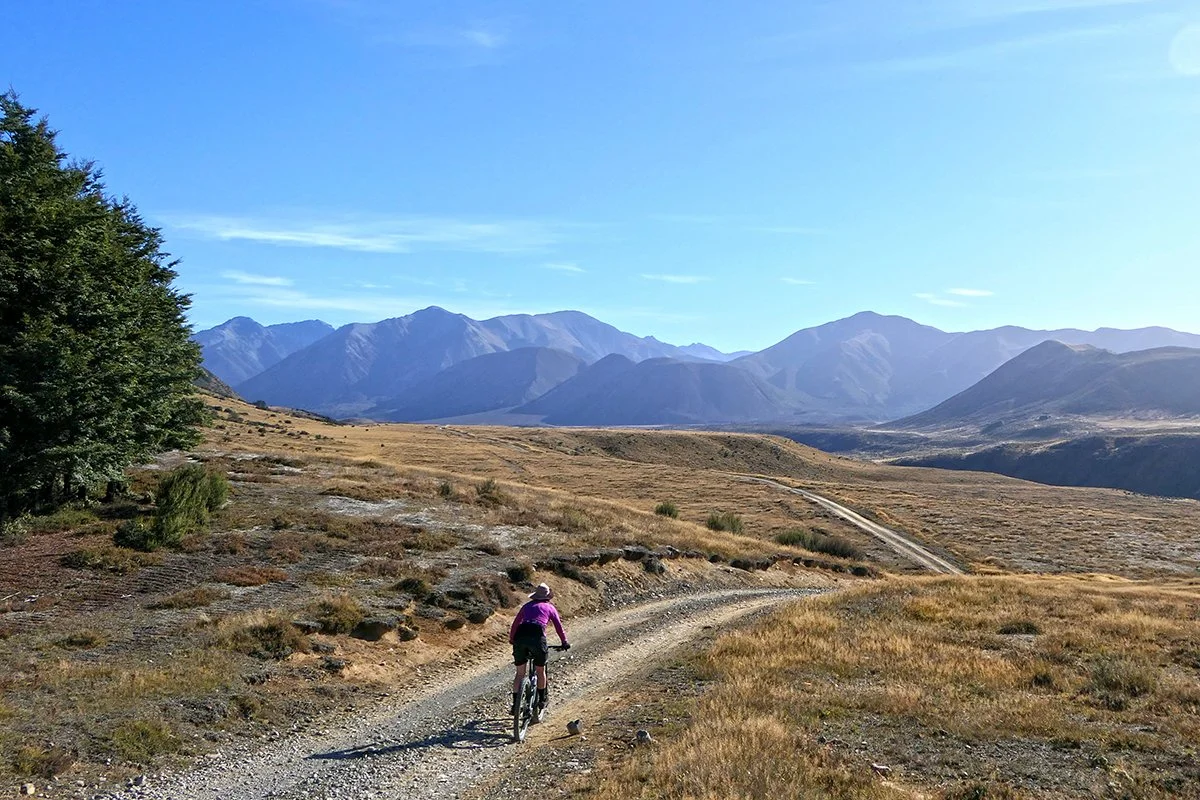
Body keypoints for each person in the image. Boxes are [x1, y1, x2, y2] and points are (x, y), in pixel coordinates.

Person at [510, 582, 569, 716]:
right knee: (540, 670)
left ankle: (515, 705)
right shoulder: (550, 607)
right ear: (548, 596)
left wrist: (512, 639)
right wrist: (564, 642)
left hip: (520, 636)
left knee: (520, 673)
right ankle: (542, 700)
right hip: (537, 638)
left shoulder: (526, 606)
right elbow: (558, 627)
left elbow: (515, 624)